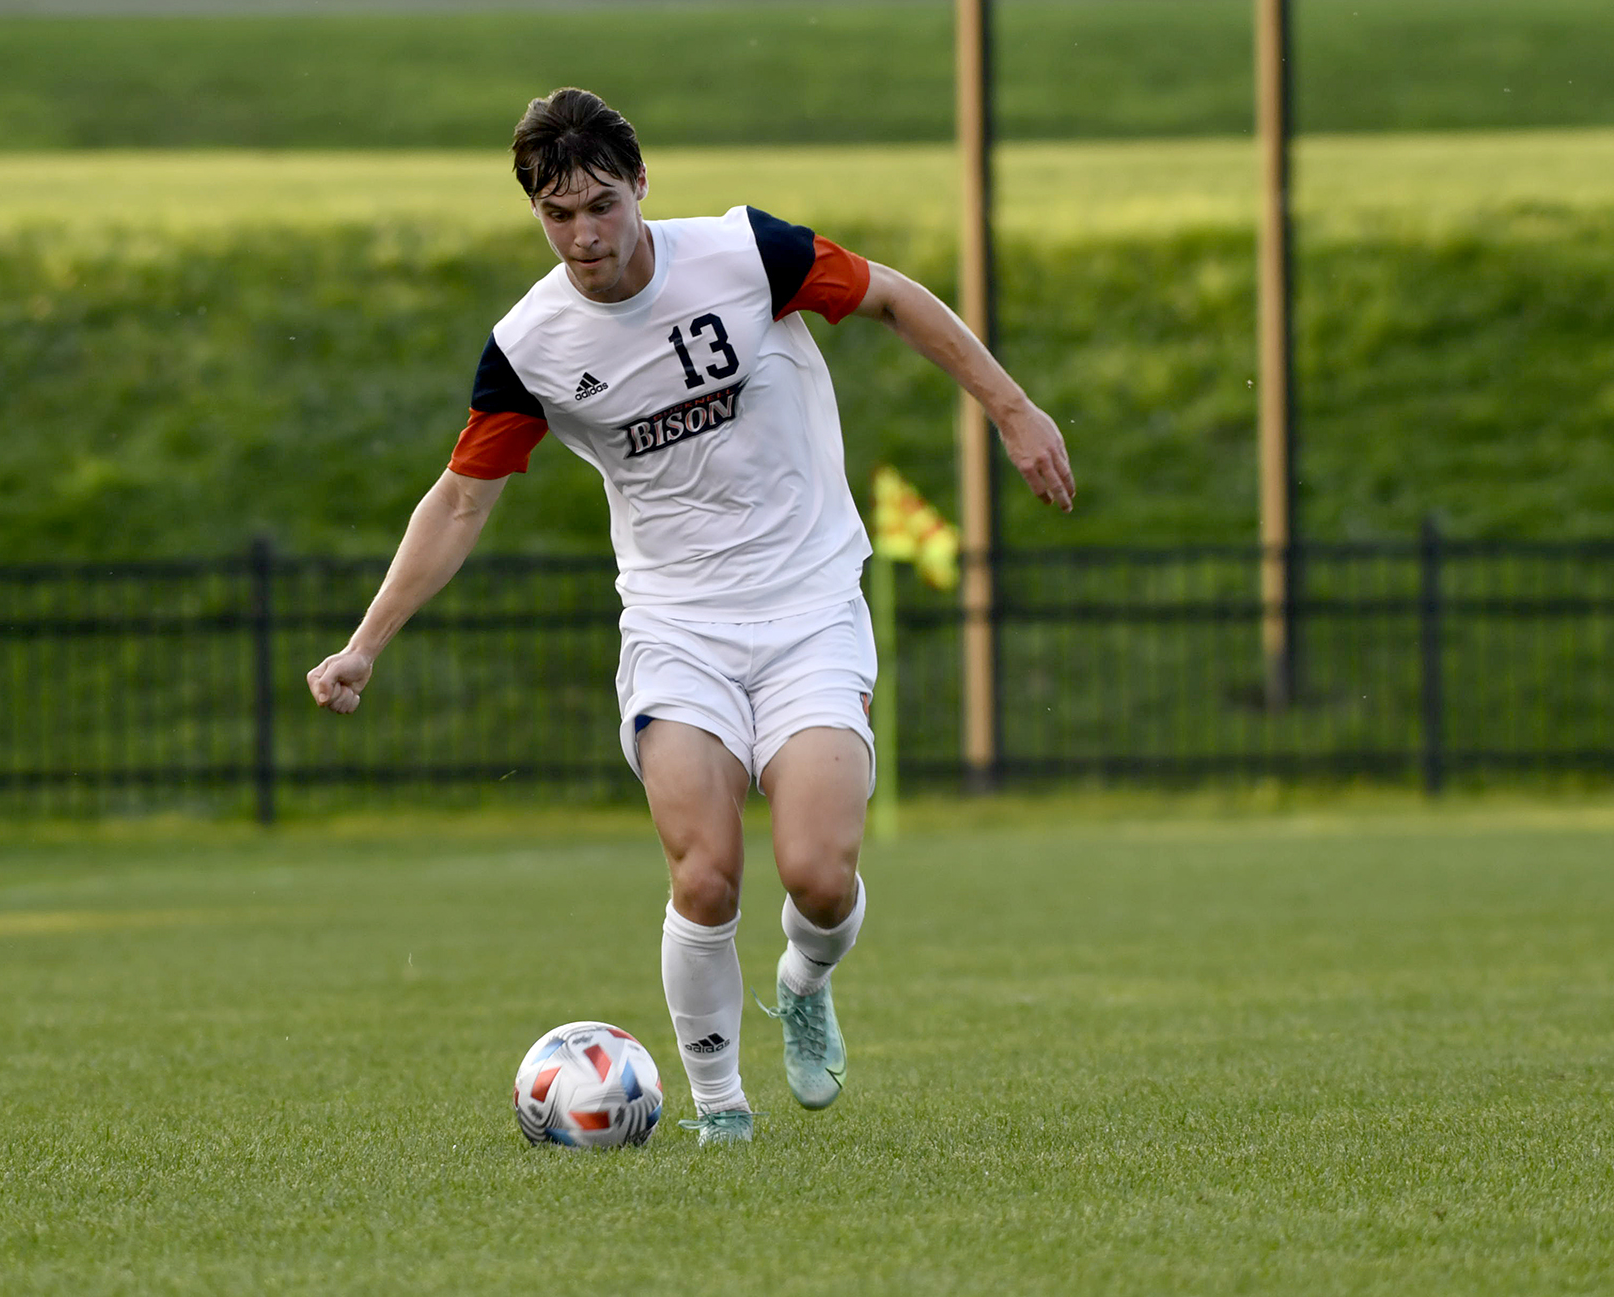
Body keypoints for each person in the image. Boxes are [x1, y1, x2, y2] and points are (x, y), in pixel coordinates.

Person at [308, 88, 1073, 1145]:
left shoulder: (745, 254)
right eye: (557, 214)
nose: (584, 235)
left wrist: (1011, 406)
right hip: (676, 625)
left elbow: (894, 298)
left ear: (640, 185)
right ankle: (721, 1116)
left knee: (816, 871)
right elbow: (460, 498)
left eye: (600, 205)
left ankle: (804, 984)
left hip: (807, 604)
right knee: (704, 874)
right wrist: (363, 643)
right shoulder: (530, 346)